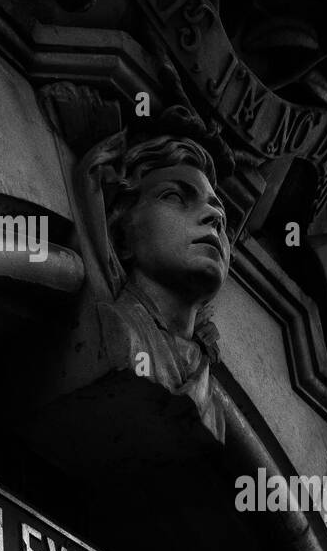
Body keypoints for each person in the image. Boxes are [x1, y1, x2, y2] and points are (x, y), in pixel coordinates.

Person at [74, 110, 233, 441]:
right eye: (175, 196)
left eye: (219, 211)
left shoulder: (210, 391)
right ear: (122, 235)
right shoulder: (117, 328)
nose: (214, 216)